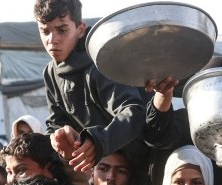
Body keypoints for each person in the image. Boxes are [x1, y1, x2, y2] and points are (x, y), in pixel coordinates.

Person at [36, 0, 145, 173]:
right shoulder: (50, 72)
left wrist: (100, 141)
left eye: (62, 30)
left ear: (80, 29)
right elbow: (56, 123)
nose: (52, 40)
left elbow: (134, 112)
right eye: (45, 31)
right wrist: (57, 137)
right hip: (97, 170)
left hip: (140, 162)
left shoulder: (101, 62)